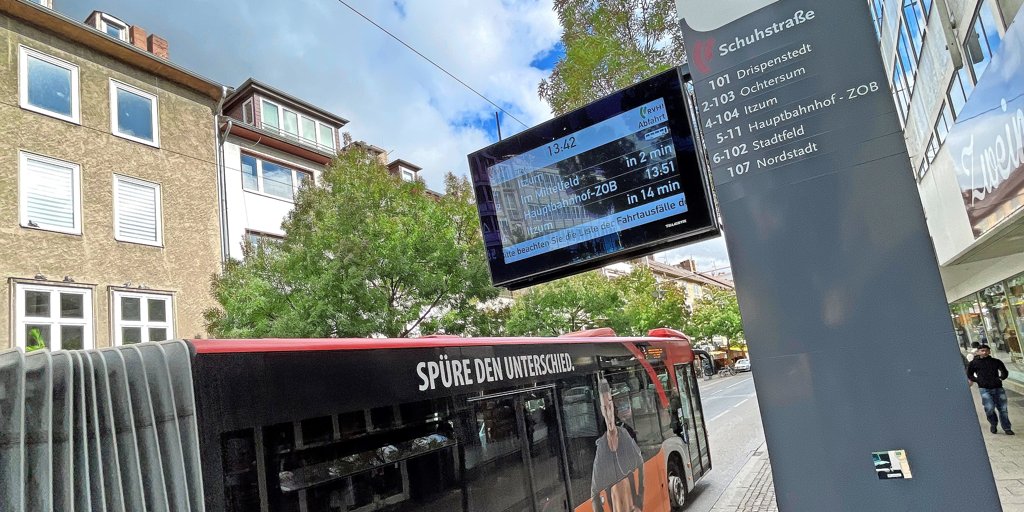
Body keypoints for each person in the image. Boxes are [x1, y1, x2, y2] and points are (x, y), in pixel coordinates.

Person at [591, 378, 644, 512]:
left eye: (609, 406)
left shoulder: (625, 434)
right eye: (604, 408)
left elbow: (640, 462)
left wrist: (639, 500)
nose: (608, 413)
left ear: (613, 407)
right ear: (601, 411)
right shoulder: (601, 447)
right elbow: (594, 492)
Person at [966, 344, 1014, 435]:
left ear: (989, 351)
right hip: (984, 389)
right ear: (978, 352)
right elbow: (969, 374)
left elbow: (1004, 371)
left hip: (998, 388)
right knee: (989, 408)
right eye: (982, 350)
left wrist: (1001, 378)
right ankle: (993, 423)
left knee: (1003, 409)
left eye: (986, 350)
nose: (984, 352)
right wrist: (978, 380)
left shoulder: (996, 361)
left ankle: (1007, 428)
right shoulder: (974, 363)